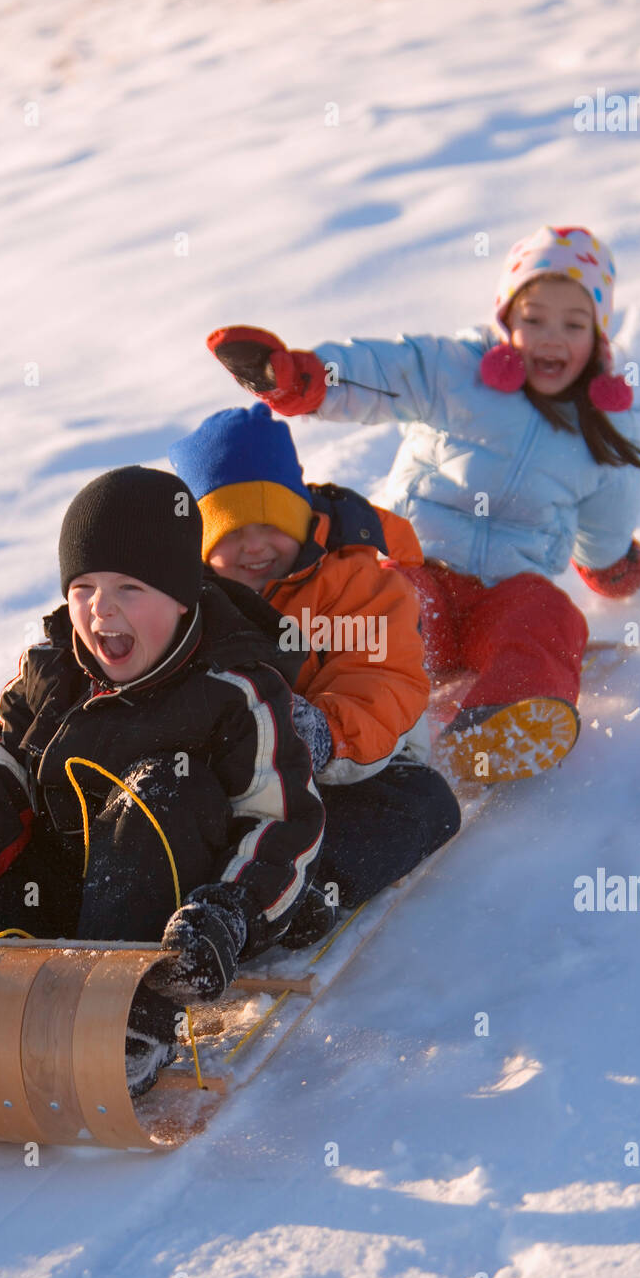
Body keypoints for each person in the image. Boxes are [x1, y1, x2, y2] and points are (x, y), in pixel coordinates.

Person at [0, 466, 325, 1095]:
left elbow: (280, 820)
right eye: (84, 587)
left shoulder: (233, 691)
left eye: (130, 587)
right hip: (67, 888)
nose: (101, 609)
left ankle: (132, 1018)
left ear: (183, 596)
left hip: (174, 923)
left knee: (161, 788)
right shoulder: (52, 674)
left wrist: (228, 914)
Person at [204, 224, 640, 784]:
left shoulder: (605, 425)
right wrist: (306, 379)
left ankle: (503, 718)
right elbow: (385, 370)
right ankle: (359, 715)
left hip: (509, 591)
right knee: (383, 615)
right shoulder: (458, 371)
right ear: (506, 320)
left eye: (573, 324)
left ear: (598, 334)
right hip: (422, 570)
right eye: (533, 318)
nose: (550, 338)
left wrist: (614, 566)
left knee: (553, 619)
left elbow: (608, 515)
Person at [168, 404, 461, 946]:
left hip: (353, 764)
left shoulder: (354, 579)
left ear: (300, 516)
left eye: (270, 524)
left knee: (423, 803)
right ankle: (204, 894)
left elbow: (382, 677)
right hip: (238, 780)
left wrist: (319, 731)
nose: (254, 546)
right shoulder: (183, 599)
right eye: (232, 532)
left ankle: (306, 888)